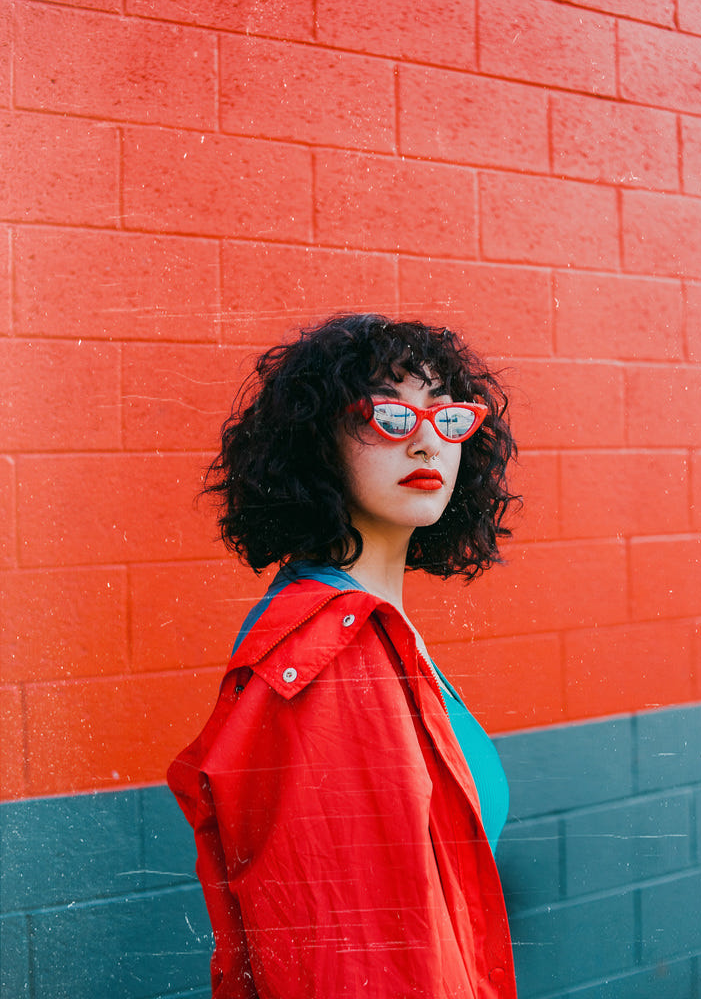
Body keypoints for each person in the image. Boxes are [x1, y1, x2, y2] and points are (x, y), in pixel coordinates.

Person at [168, 313, 519, 999]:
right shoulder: (331, 651)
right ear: (316, 444)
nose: (426, 441)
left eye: (446, 417)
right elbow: (351, 963)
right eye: (389, 415)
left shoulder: (377, 628)